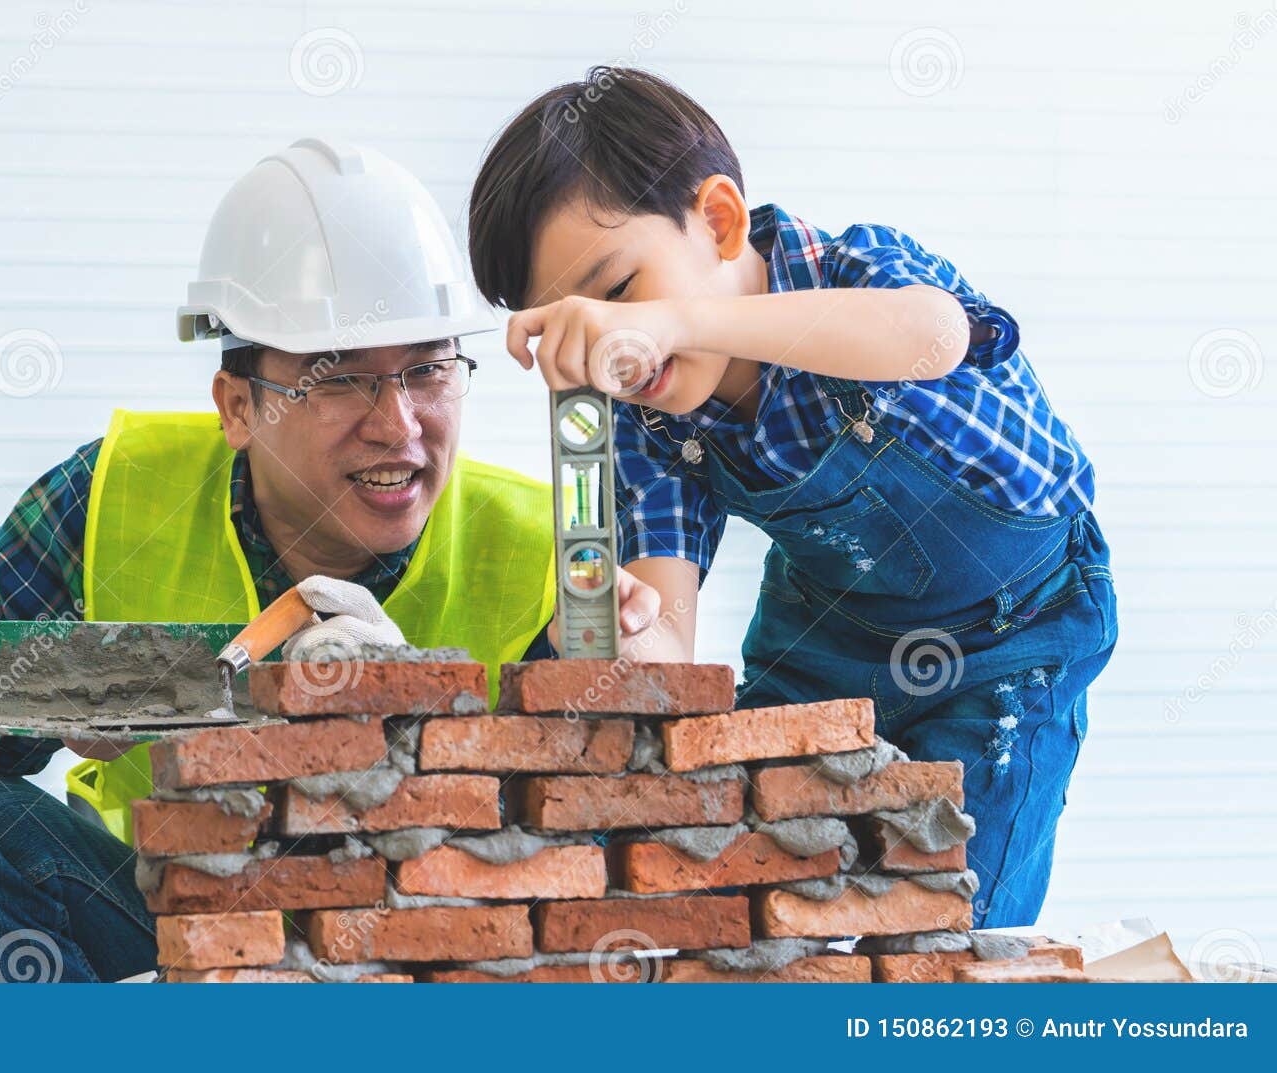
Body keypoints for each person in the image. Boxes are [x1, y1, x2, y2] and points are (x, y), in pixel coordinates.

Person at [0, 138, 658, 981]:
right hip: (170, 910)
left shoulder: (542, 551)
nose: (400, 425)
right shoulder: (116, 493)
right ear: (238, 406)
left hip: (415, 944)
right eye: (337, 379)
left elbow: (594, 863)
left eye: (428, 369)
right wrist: (151, 682)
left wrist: (563, 709)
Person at [466, 69, 1118, 927]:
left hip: (1017, 637)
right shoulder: (657, 422)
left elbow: (938, 335)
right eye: (581, 325)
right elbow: (672, 644)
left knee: (953, 921)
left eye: (619, 293)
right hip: (826, 644)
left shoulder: (851, 273)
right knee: (743, 879)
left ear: (720, 221)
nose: (617, 345)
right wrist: (622, 625)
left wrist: (680, 323)